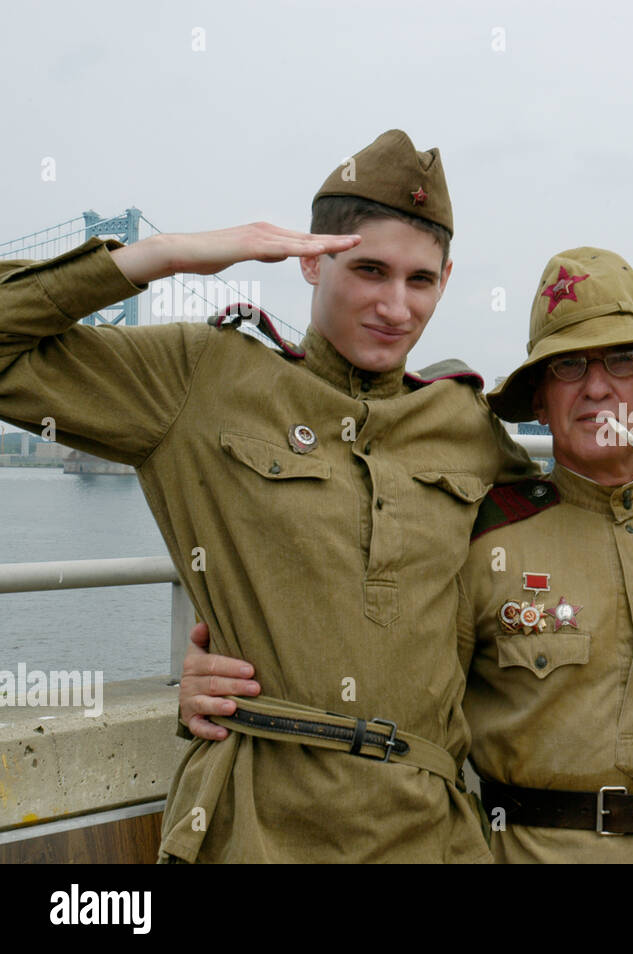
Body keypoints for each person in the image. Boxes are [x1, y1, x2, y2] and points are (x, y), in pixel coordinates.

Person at [0, 129, 535, 862]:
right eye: (368, 269)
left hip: (427, 831)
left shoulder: (464, 423)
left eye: (421, 280)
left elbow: (570, 542)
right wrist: (169, 255)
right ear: (312, 261)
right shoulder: (198, 377)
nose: (395, 306)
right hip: (257, 823)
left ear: (447, 279)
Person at [181, 247, 633, 862]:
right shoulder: (478, 539)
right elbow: (385, 682)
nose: (596, 388)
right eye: (566, 368)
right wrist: (222, 690)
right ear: (540, 402)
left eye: (623, 360)